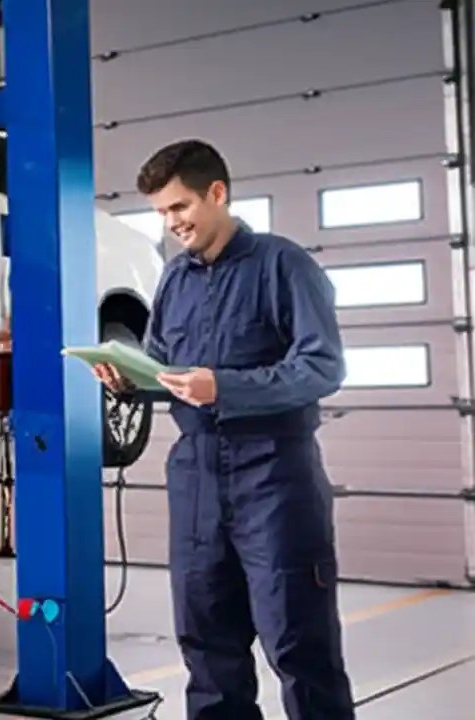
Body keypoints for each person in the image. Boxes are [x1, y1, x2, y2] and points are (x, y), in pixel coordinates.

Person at [94, 139, 356, 720]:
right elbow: (165, 367)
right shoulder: (174, 280)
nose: (172, 223)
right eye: (162, 212)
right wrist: (130, 380)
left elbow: (322, 367)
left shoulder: (284, 265)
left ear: (217, 193)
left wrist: (225, 387)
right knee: (207, 643)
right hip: (196, 476)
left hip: (275, 474)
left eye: (180, 206)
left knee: (298, 642)